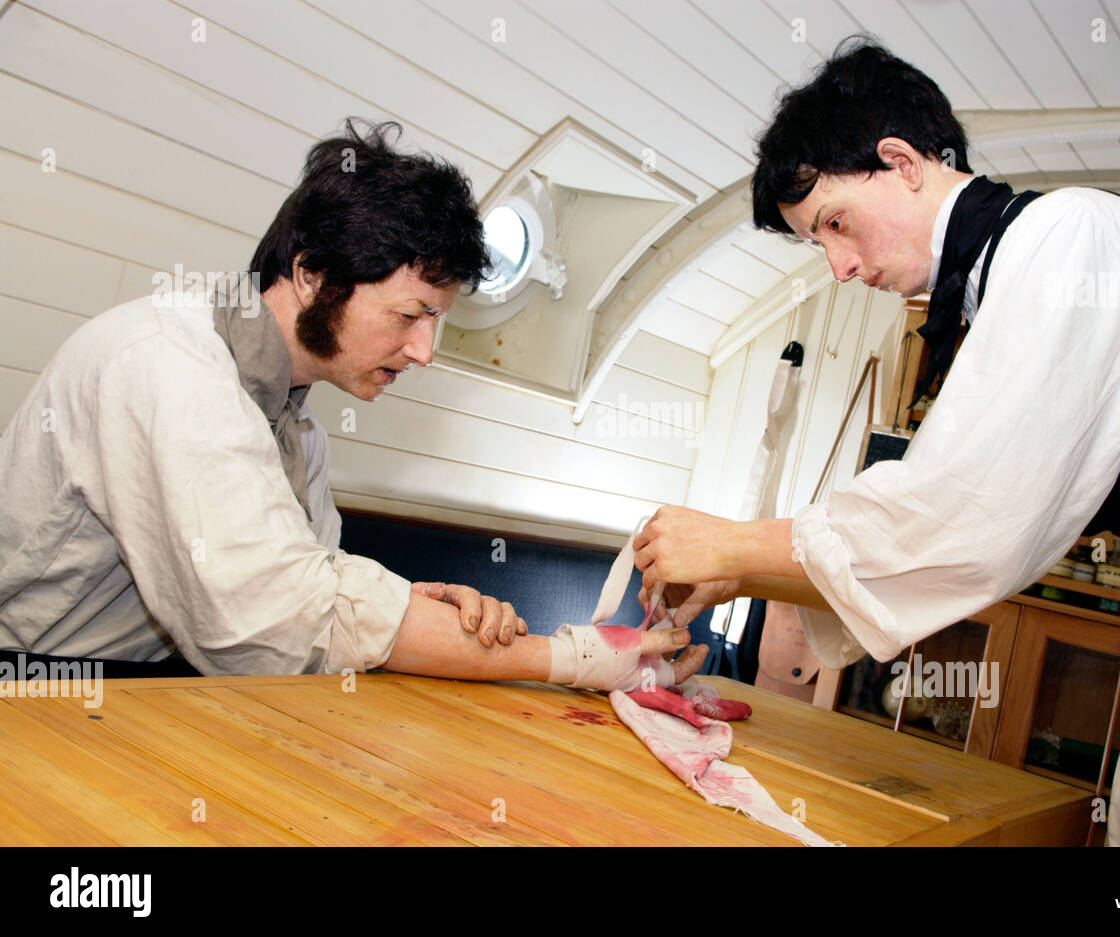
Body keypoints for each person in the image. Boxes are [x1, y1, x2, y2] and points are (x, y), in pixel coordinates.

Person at [632, 36, 1120, 845]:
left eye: (835, 223)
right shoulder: (1009, 272)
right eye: (817, 245)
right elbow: (950, 524)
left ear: (902, 161)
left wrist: (734, 547)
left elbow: (959, 517)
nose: (839, 266)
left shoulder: (1067, 236)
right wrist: (740, 569)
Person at [0, 119, 704, 691]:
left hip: (149, 688)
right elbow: (273, 624)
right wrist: (579, 659)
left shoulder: (298, 432)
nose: (425, 350)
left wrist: (419, 599)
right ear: (311, 274)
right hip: (31, 689)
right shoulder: (165, 366)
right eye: (410, 315)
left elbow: (315, 589)